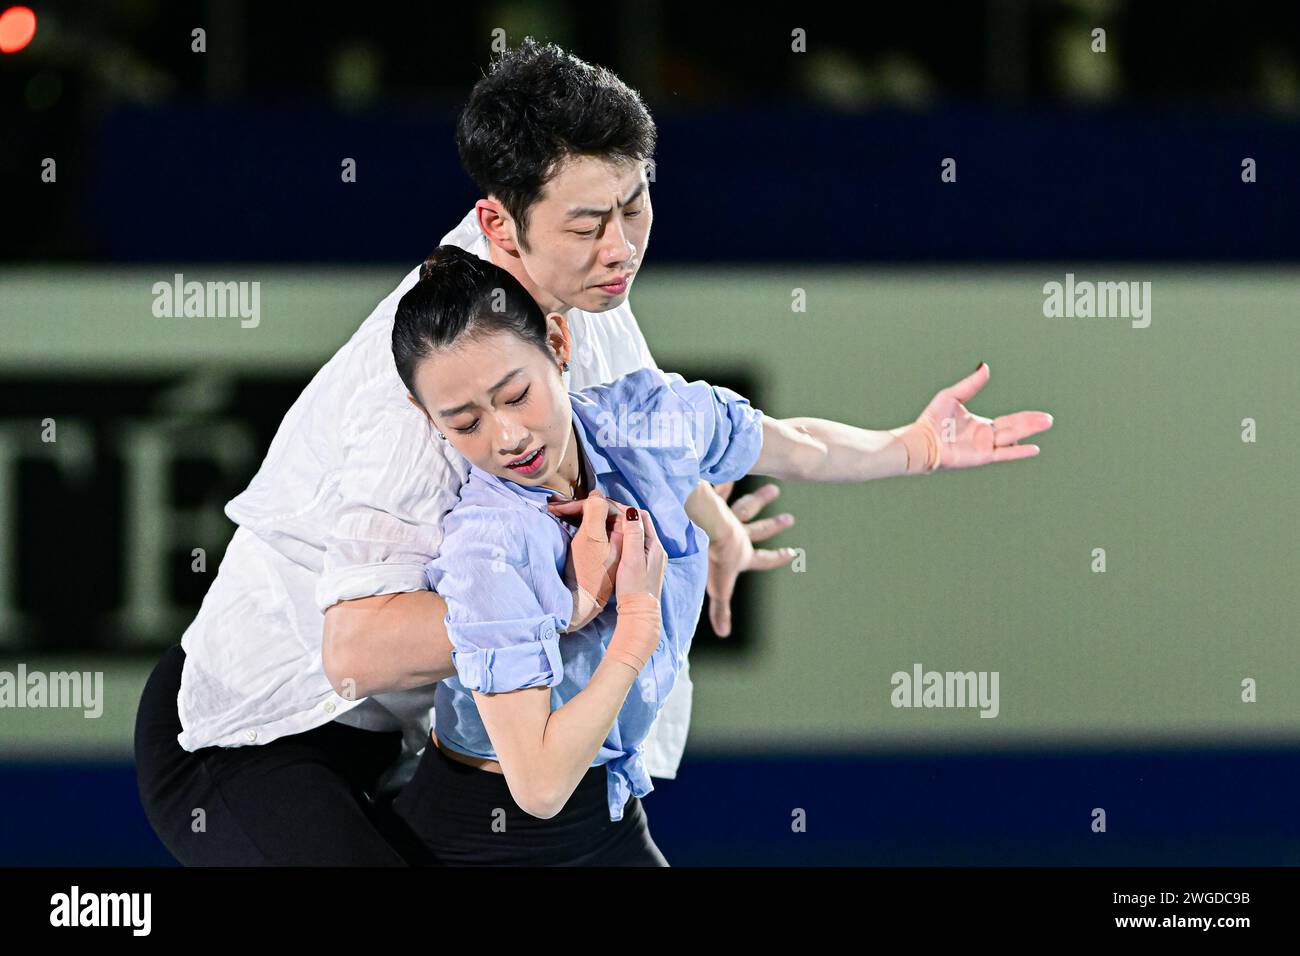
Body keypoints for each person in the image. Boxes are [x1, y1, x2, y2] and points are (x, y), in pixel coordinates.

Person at [133, 39, 794, 865]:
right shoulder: (421, 381)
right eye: (588, 224)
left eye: (634, 204)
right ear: (498, 224)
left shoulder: (576, 285)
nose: (620, 246)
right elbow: (354, 650)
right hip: (254, 736)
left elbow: (627, 426)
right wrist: (567, 598)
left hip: (400, 744)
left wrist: (713, 523)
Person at [385, 245, 1055, 865]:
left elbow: (796, 446)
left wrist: (917, 447)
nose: (506, 436)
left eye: (516, 395)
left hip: (608, 808)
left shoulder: (644, 420)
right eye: (465, 422)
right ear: (428, 416)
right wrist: (635, 629)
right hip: (479, 836)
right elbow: (538, 786)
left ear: (557, 345)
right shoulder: (488, 545)